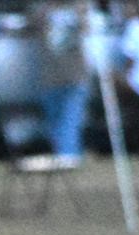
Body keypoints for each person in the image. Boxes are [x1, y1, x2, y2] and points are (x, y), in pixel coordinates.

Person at [32, 0, 91, 160]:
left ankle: (69, 159)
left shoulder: (78, 9)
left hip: (75, 76)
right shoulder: (41, 11)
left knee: (69, 122)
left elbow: (86, 28)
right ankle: (64, 157)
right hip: (50, 78)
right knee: (55, 125)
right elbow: (36, 25)